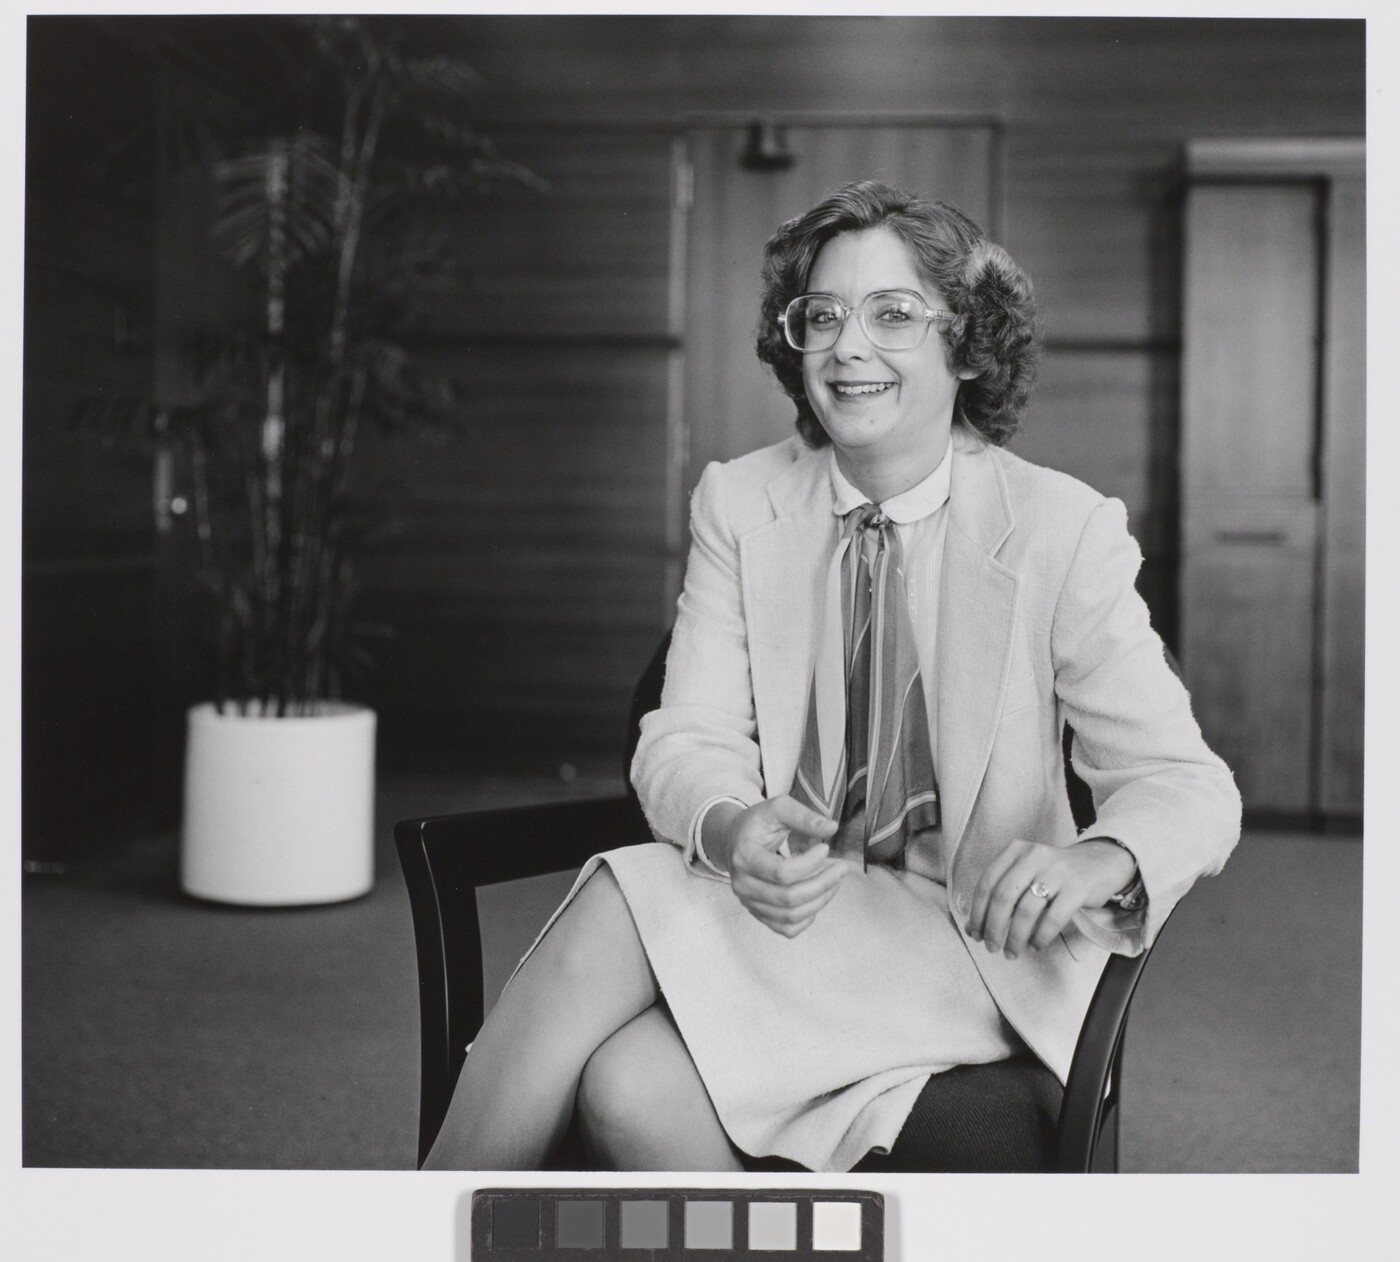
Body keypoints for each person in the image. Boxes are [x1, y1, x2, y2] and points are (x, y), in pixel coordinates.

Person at [423, 180, 1241, 1173]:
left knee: (615, 898)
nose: (847, 346)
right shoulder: (740, 500)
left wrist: (1093, 858)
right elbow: (684, 739)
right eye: (821, 315)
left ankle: (419, 1223)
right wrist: (728, 828)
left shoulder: (1061, 530)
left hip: (974, 943)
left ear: (966, 341)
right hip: (788, 915)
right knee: (626, 1088)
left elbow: (1186, 787)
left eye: (893, 313)